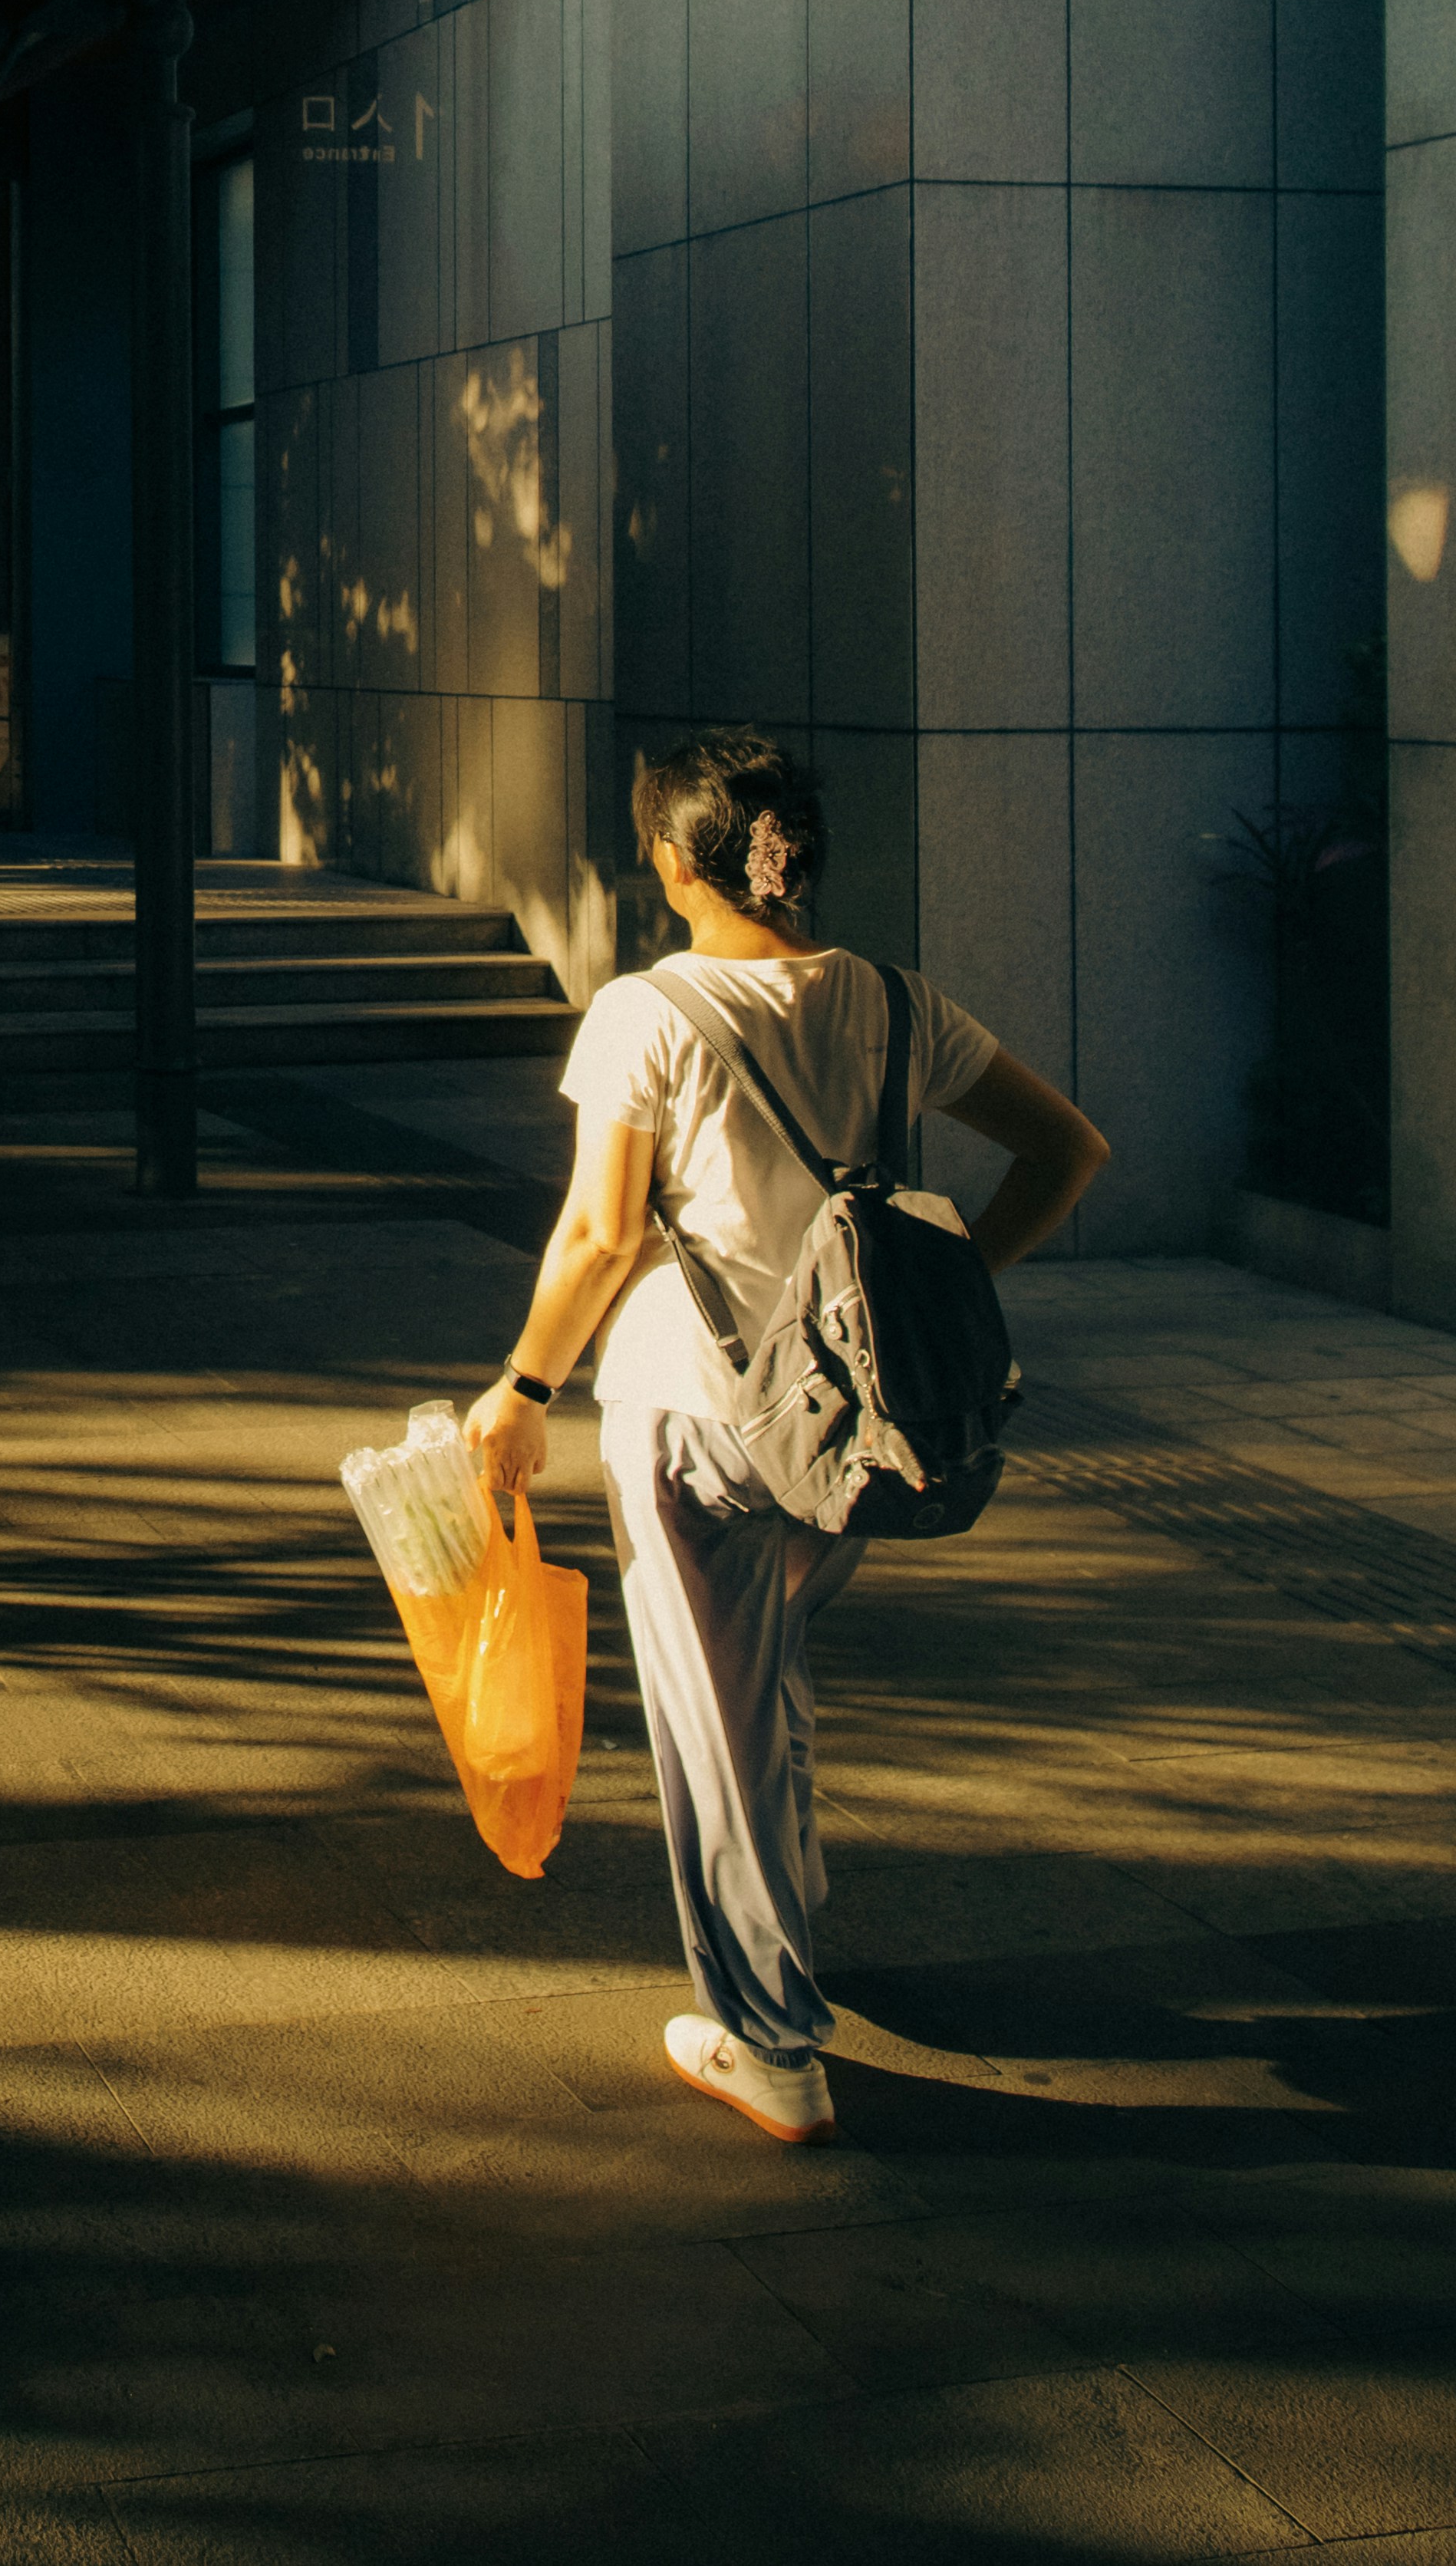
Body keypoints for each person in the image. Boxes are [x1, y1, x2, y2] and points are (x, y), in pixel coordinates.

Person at [463, 732, 1106, 2150]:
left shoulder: (646, 1012)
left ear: (670, 861)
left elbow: (599, 1234)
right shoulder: (889, 997)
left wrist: (520, 1388)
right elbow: (1071, 1150)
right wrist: (957, 1282)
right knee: (766, 1682)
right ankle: (788, 1931)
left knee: (715, 1716)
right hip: (848, 1423)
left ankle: (770, 2042)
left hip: (692, 1414)